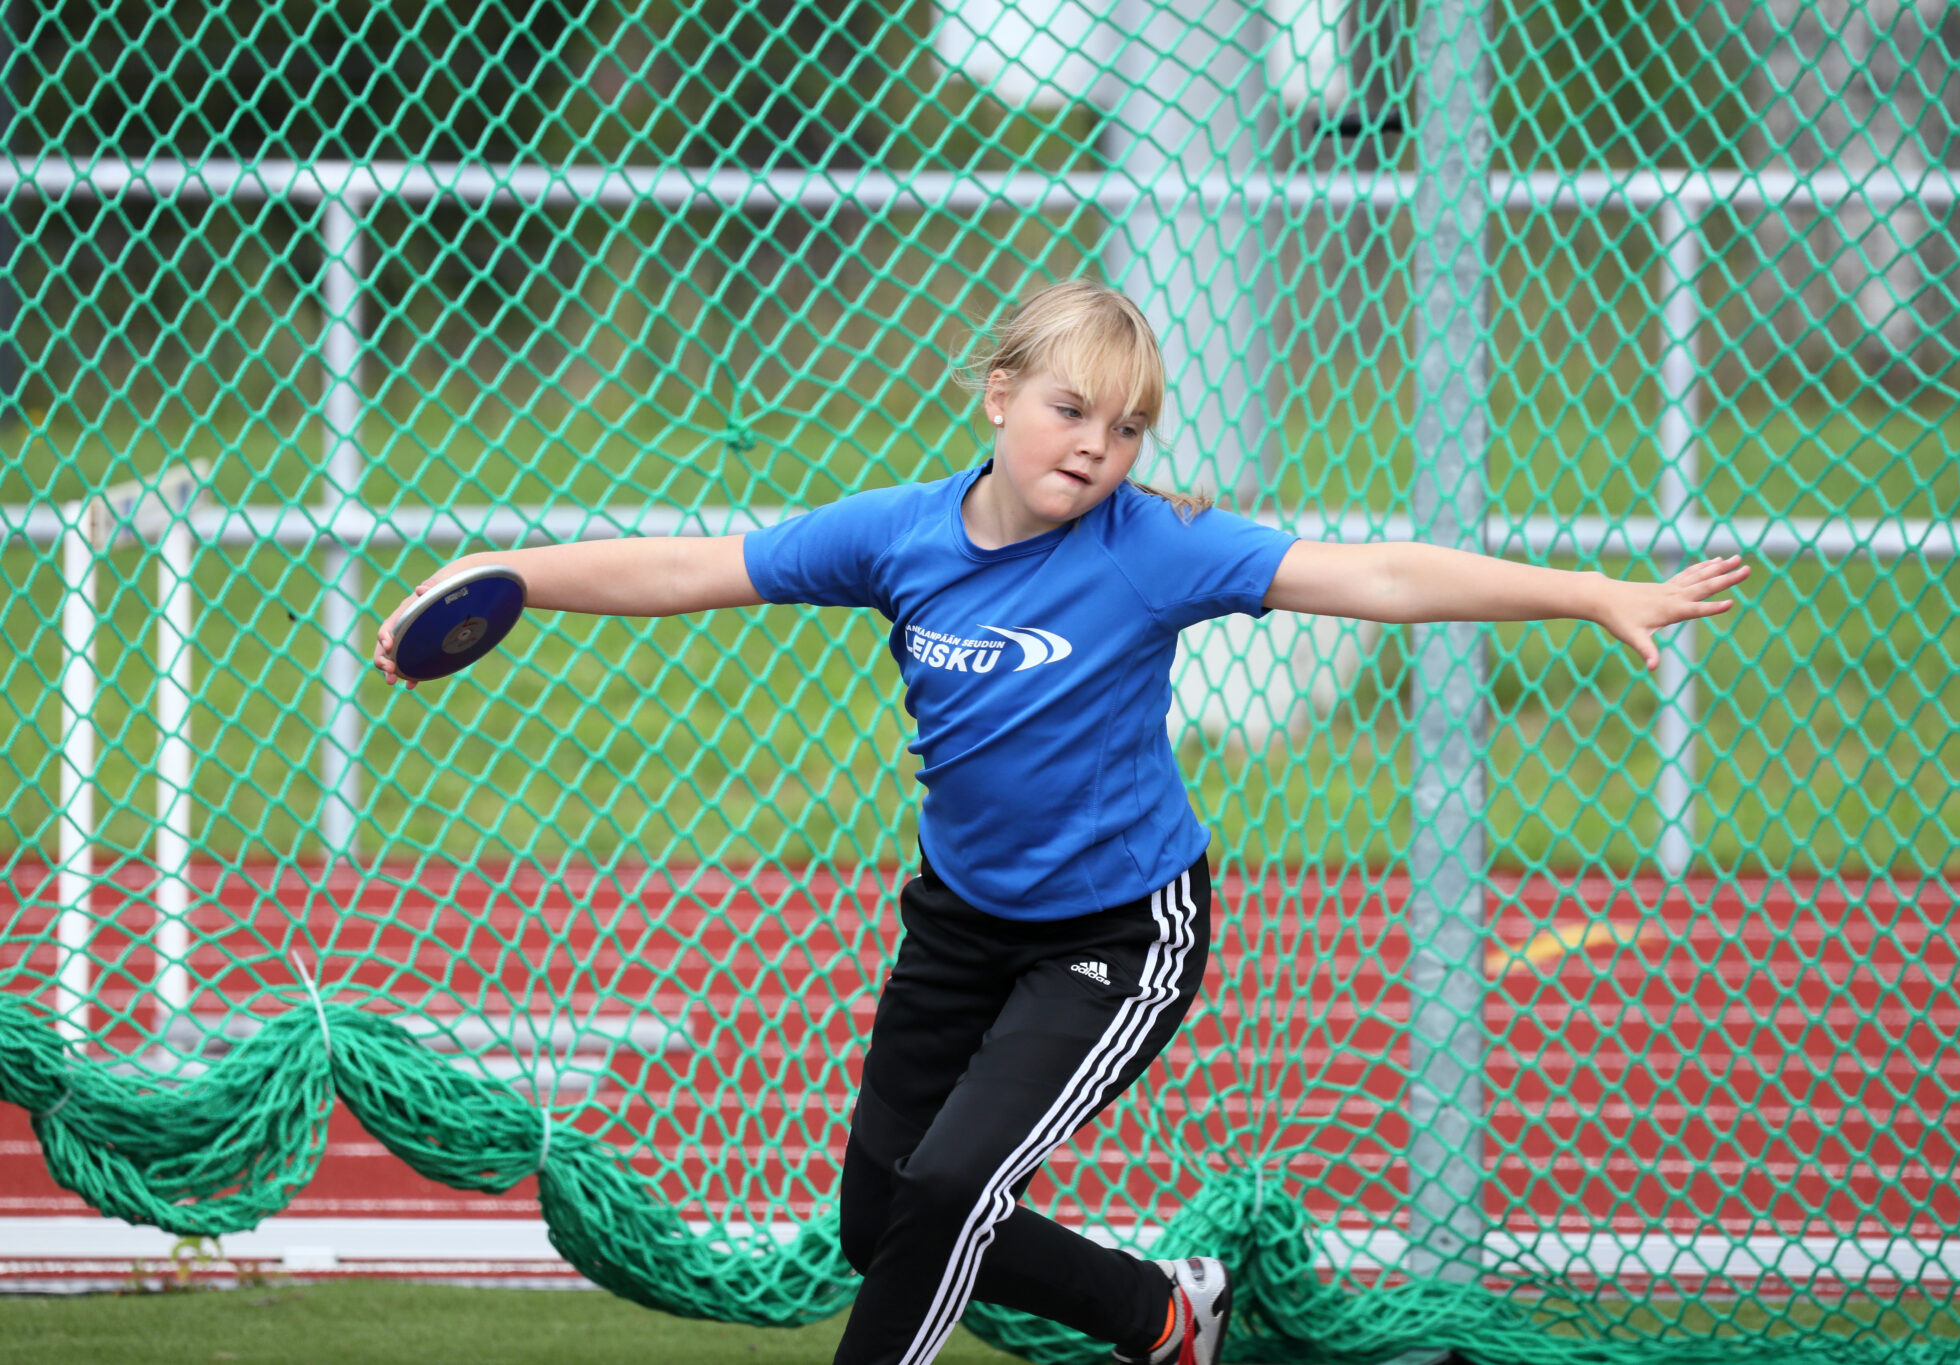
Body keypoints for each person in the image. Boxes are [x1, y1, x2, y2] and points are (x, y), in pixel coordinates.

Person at [371, 278, 1751, 1365]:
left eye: (1130, 425)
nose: (1099, 445)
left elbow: (1380, 570)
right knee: (881, 1214)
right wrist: (507, 573)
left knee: (954, 1185)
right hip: (961, 917)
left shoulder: (1153, 546)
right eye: (1073, 410)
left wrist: (1590, 593)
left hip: (1118, 930)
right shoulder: (898, 534)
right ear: (998, 396)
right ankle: (1168, 1316)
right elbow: (687, 562)